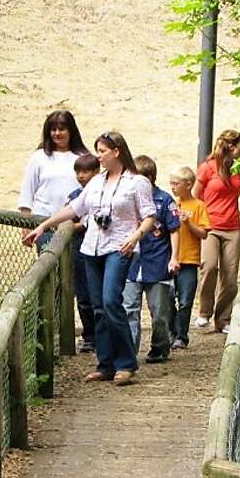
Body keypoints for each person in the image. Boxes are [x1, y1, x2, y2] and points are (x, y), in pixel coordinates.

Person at [22, 132, 155, 387]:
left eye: (103, 151)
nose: (99, 157)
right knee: (98, 308)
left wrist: (136, 236)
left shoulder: (136, 182)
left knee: (110, 301)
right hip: (92, 248)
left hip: (119, 246)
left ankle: (126, 363)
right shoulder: (95, 182)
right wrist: (44, 226)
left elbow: (149, 215)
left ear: (117, 152)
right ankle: (105, 364)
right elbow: (74, 209)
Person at [122, 156, 180, 364]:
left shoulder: (164, 201)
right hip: (131, 263)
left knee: (159, 312)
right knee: (129, 309)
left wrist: (174, 258)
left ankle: (160, 347)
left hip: (157, 263)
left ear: (151, 178)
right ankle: (128, 352)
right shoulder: (126, 198)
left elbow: (174, 230)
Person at [194, 129, 240, 334]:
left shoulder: (239, 169)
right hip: (211, 226)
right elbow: (196, 195)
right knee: (208, 267)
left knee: (230, 275)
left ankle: (223, 318)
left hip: (233, 226)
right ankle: (204, 311)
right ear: (232, 147)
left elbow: (235, 193)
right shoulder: (207, 168)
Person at [18, 110, 89, 249]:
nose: (57, 133)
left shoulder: (83, 157)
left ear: (71, 131)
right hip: (45, 224)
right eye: (53, 129)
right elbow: (27, 192)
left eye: (61, 129)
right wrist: (25, 225)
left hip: (76, 226)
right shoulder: (39, 157)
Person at [168, 166, 210, 350]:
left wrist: (188, 222)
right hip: (171, 259)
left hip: (190, 260)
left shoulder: (199, 206)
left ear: (189, 184)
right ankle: (172, 331)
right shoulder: (171, 204)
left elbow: (203, 234)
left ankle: (181, 336)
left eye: (176, 184)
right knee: (168, 299)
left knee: (185, 300)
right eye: (171, 183)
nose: (173, 187)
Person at [67, 153, 100, 352]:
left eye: (86, 171)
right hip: (79, 249)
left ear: (96, 172)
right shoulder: (73, 196)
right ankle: (89, 335)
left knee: (98, 293)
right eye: (78, 171)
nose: (81, 176)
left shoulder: (103, 193)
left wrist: (81, 224)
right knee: (83, 294)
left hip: (99, 248)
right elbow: (68, 219)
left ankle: (102, 335)